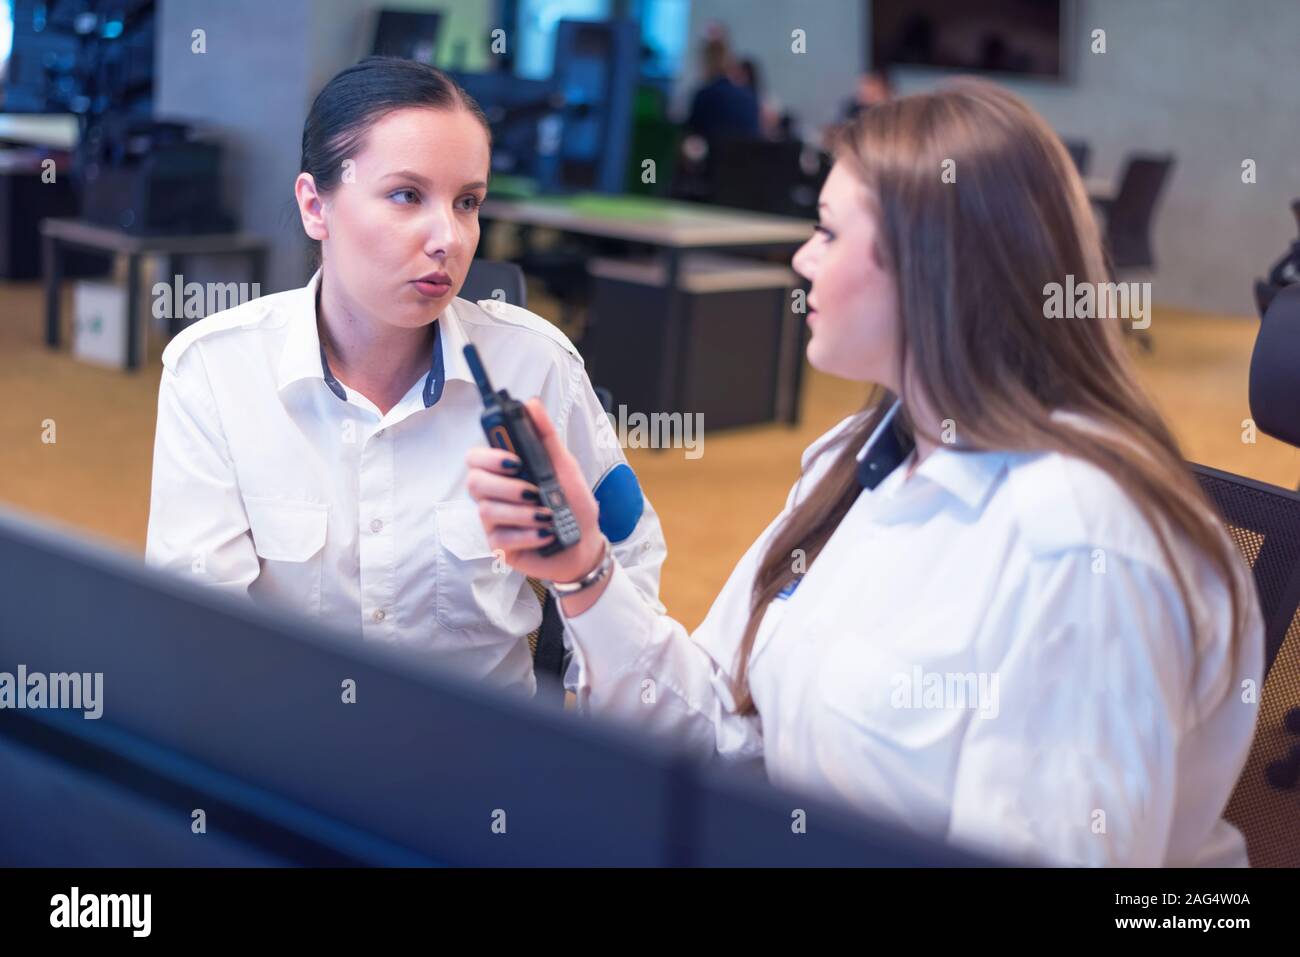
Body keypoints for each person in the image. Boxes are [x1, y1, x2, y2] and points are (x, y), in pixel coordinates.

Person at [463, 78, 1263, 866]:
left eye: (829, 232)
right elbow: (720, 725)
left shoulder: (1081, 553)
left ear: (934, 269)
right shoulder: (868, 455)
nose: (803, 258)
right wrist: (584, 571)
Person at [144, 57, 666, 697]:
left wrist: (596, 730)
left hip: (479, 766)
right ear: (316, 206)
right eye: (406, 195)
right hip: (293, 757)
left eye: (468, 202)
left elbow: (629, 559)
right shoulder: (216, 372)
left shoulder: (536, 368)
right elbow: (199, 634)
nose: (449, 237)